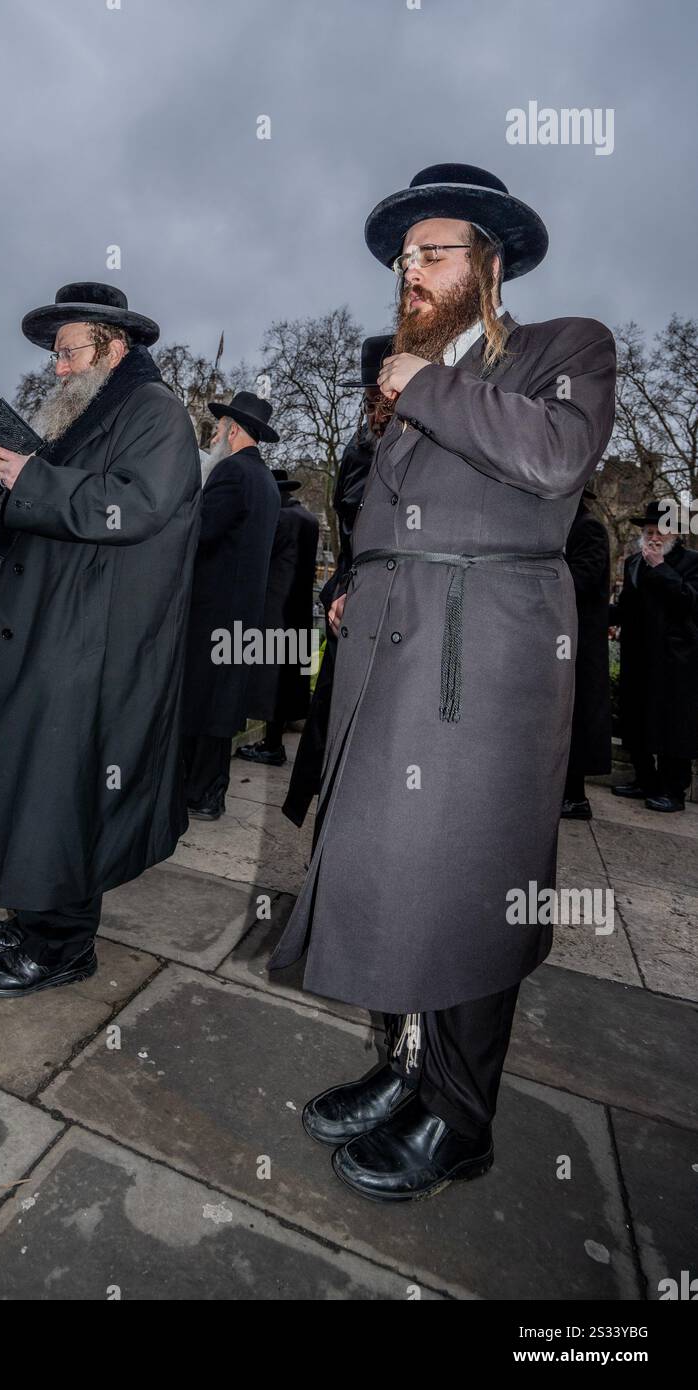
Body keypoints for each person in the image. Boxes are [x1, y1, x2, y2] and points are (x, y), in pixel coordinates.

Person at [269, 163, 617, 1202]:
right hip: (390, 644)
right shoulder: (397, 375)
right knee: (387, 875)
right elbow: (387, 512)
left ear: (490, 264)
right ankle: (402, 1066)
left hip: (486, 662)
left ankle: (460, 1116)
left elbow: (554, 458)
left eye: (430, 253)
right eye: (400, 259)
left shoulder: (566, 348)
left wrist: (424, 384)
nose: (406, 273)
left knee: (464, 882)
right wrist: (352, 581)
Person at [0, 282, 201, 998]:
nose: (56, 368)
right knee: (33, 788)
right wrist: (23, 477)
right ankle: (34, 917)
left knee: (61, 795)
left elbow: (136, 506)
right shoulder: (94, 411)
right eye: (55, 355)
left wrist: (35, 480)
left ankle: (62, 947)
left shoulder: (157, 412)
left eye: (68, 352)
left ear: (112, 347)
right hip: (51, 632)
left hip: (90, 645)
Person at [283, 336, 391, 826]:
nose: (376, 406)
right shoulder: (362, 449)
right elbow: (353, 531)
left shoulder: (412, 444)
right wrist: (343, 586)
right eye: (373, 396)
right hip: (356, 607)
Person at [182, 392, 281, 819]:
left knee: (200, 705)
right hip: (244, 615)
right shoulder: (266, 482)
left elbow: (198, 535)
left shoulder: (231, 473)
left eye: (221, 427)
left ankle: (197, 794)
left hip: (213, 610)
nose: (217, 434)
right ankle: (210, 792)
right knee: (221, 708)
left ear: (235, 430)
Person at [610, 500, 698, 812]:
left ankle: (673, 790)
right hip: (638, 656)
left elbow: (689, 602)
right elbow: (624, 609)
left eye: (660, 531)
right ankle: (644, 780)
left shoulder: (690, 562)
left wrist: (661, 567)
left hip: (675, 661)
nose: (653, 537)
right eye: (648, 531)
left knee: (673, 725)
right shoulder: (633, 563)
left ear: (674, 534)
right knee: (636, 720)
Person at [237, 468, 319, 766]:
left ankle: (271, 746)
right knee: (287, 679)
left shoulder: (279, 519)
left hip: (273, 608)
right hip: (299, 609)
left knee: (269, 680)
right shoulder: (309, 519)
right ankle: (272, 741)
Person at [561, 486, 612, 818]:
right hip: (567, 639)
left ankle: (576, 798)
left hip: (581, 644)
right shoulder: (570, 528)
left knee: (577, 717)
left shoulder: (587, 527)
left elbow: (583, 580)